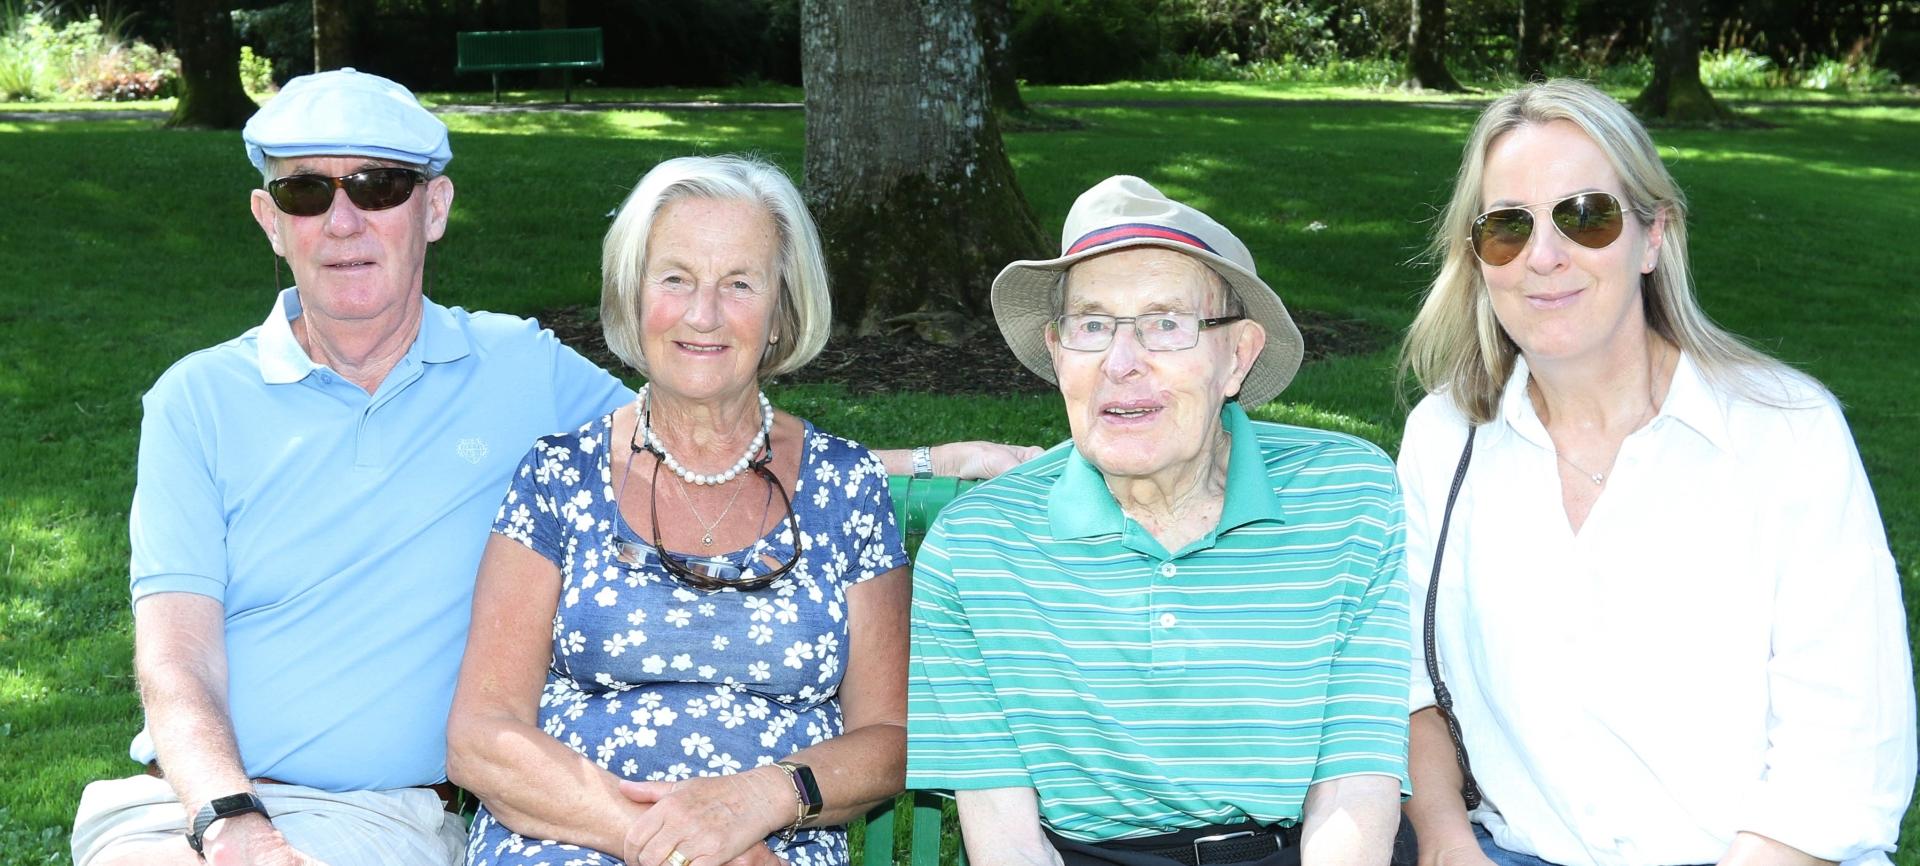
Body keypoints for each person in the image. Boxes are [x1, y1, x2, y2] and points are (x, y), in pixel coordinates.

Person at [68, 69, 1033, 866]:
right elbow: (175, 660)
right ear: (268, 219)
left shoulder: (517, 372)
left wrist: (929, 460)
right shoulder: (196, 400)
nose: (342, 220)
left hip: (386, 821)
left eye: (378, 188)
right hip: (197, 813)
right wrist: (232, 823)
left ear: (433, 208)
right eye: (305, 191)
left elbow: (711, 438)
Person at [1396, 78, 1915, 866]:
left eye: (1586, 216)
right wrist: (1441, 835)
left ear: (1652, 237)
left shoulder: (1787, 433)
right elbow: (1409, 682)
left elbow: (1843, 755)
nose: (1544, 256)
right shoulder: (1445, 438)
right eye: (1508, 227)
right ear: (1479, 258)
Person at [908, 175, 1411, 866]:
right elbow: (1007, 840)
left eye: (1165, 324)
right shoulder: (976, 549)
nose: (1121, 364)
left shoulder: (1347, 495)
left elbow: (1357, 778)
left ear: (1237, 356)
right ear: (1058, 355)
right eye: (1092, 326)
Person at [447, 155, 909, 866]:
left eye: (739, 284)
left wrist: (760, 801)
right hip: (571, 836)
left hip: (770, 843)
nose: (703, 314)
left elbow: (884, 741)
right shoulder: (558, 476)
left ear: (782, 310)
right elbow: (483, 733)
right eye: (676, 279)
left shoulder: (846, 488)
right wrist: (676, 846)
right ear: (634, 296)